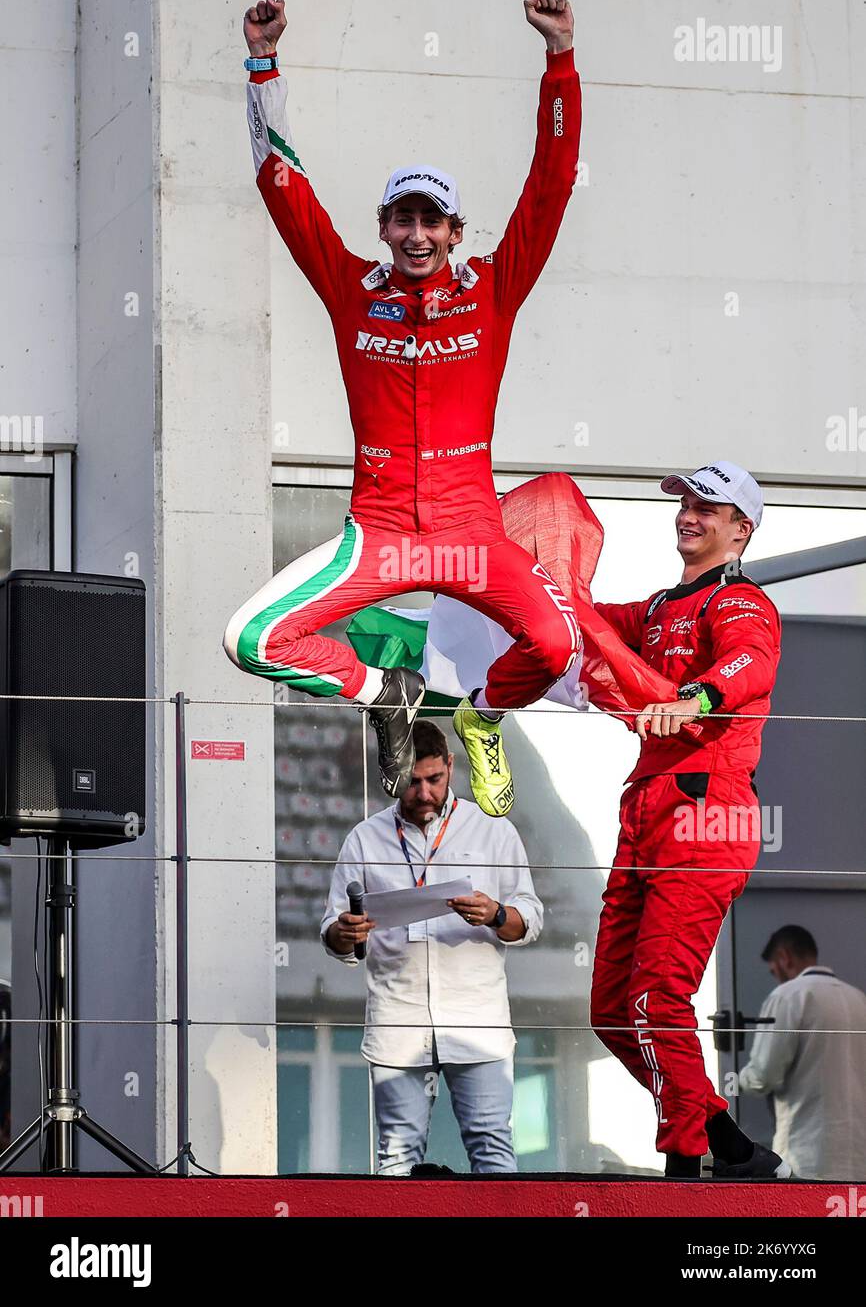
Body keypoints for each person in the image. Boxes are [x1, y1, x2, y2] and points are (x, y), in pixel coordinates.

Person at [223, 0, 583, 816]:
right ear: (382, 228)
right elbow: (281, 183)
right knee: (248, 639)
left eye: (432, 221)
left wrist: (559, 58)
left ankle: (481, 716)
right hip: (379, 533)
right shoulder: (353, 291)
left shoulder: (492, 290)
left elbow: (553, 183)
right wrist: (261, 66)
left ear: (457, 232)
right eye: (402, 219)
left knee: (556, 646)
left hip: (469, 536)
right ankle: (384, 693)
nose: (417, 235)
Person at [589, 461, 788, 1179]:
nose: (690, 514)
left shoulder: (740, 602)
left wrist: (697, 699)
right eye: (687, 502)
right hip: (645, 807)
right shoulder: (655, 609)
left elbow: (751, 666)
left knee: (656, 996)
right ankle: (730, 1145)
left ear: (742, 529)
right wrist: (505, 573)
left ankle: (686, 1165)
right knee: (612, 1011)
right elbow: (573, 619)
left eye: (711, 507)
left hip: (706, 810)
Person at [320, 719, 542, 1175]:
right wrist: (344, 934)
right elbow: (333, 930)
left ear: (452, 768)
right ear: (392, 776)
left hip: (476, 1023)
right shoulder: (364, 838)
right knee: (396, 1158)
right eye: (411, 782)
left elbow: (531, 919)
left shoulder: (494, 832)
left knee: (493, 1152)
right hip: (398, 1024)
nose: (423, 793)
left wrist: (497, 914)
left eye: (434, 780)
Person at [739, 925, 866, 1181]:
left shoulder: (787, 996)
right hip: (859, 1158)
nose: (775, 975)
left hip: (807, 1156)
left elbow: (764, 1076)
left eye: (774, 969)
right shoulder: (860, 1000)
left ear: (784, 957)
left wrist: (737, 1080)